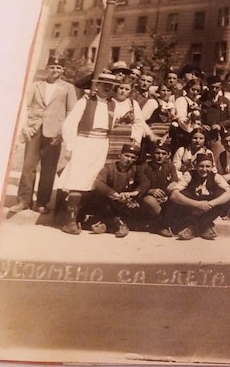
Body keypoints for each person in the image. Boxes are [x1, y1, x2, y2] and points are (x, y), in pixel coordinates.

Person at [10, 55, 77, 214]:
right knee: (28, 166)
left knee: (48, 168)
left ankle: (42, 202)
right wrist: (25, 126)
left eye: (58, 68)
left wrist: (63, 132)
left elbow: (71, 112)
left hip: (55, 132)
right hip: (34, 129)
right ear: (47, 69)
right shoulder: (36, 85)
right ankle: (24, 201)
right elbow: (25, 107)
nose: (55, 70)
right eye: (52, 67)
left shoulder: (67, 88)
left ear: (63, 70)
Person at [58, 72, 120, 234]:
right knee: (77, 179)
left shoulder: (113, 104)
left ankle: (88, 219)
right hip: (83, 143)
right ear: (97, 85)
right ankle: (71, 221)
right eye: (104, 84)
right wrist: (70, 146)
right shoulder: (85, 101)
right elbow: (69, 124)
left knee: (95, 181)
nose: (107, 88)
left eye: (111, 86)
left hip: (101, 145)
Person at [159, 152, 230, 240]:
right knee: (182, 194)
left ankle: (201, 226)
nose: (204, 169)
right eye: (201, 166)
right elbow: (174, 195)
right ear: (196, 166)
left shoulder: (216, 176)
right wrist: (197, 205)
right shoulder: (189, 175)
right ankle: (195, 227)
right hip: (191, 207)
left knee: (222, 194)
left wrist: (209, 204)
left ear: (212, 167)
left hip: (208, 207)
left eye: (208, 166)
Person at [80, 143, 148, 238]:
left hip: (126, 201)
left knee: (133, 208)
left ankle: (107, 225)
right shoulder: (109, 168)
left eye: (133, 157)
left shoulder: (135, 169)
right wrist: (114, 194)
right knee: (104, 203)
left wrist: (133, 193)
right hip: (110, 200)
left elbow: (145, 182)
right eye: (126, 156)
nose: (129, 159)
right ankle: (115, 225)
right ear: (119, 155)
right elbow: (99, 183)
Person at [139, 141, 179, 233]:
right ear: (152, 154)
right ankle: (164, 225)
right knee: (149, 200)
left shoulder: (170, 167)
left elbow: (174, 180)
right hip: (149, 198)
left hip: (165, 197)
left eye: (163, 153)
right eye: (157, 153)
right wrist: (150, 191)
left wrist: (173, 184)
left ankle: (163, 223)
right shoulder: (144, 167)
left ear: (168, 155)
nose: (160, 156)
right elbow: (139, 185)